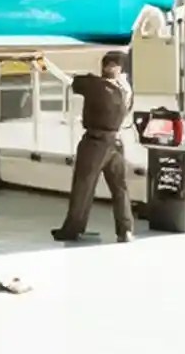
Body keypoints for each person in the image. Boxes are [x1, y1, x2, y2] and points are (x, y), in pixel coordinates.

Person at [52, 51, 135, 243]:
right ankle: (125, 230)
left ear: (107, 66)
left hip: (95, 143)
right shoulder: (126, 89)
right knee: (119, 188)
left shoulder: (95, 85)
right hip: (116, 142)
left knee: (83, 186)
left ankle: (72, 230)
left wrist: (45, 63)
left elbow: (66, 80)